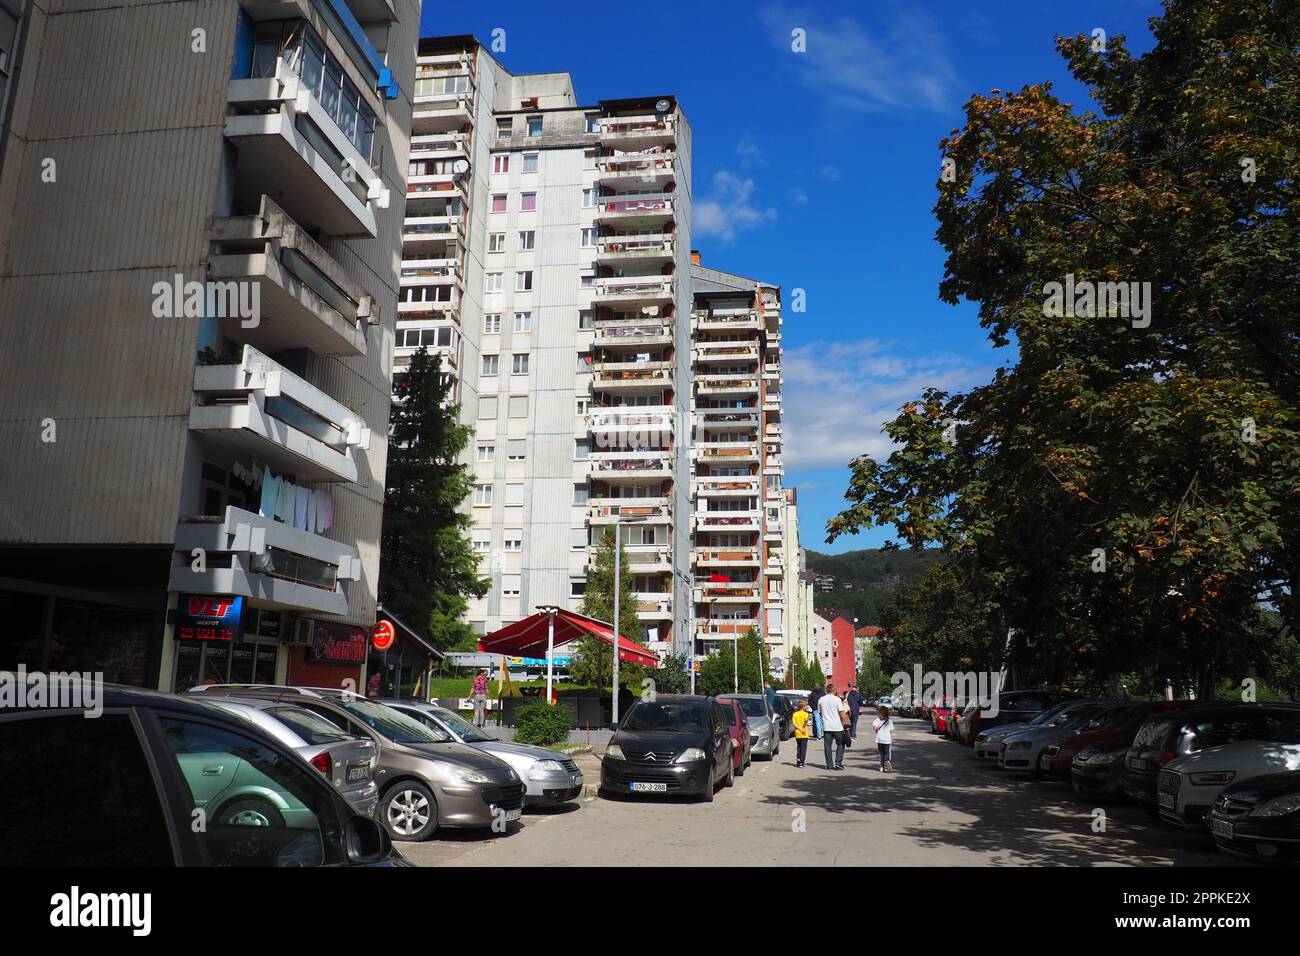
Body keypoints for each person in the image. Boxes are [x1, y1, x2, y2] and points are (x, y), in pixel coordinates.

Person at [818, 682, 847, 770]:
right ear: (834, 690)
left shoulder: (821, 699)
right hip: (837, 726)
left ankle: (829, 765)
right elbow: (842, 712)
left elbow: (820, 713)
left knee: (827, 746)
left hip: (827, 726)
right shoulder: (837, 699)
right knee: (841, 743)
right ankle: (838, 762)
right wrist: (846, 723)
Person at [790, 699, 812, 768]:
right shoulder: (806, 714)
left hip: (798, 733)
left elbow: (794, 723)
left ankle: (798, 761)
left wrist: (799, 729)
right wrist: (803, 727)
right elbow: (806, 723)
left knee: (799, 747)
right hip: (804, 733)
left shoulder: (795, 714)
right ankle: (802, 762)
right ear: (803, 706)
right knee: (803, 748)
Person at [873, 705, 895, 772]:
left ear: (879, 713)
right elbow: (891, 730)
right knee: (887, 752)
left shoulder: (877, 720)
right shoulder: (889, 721)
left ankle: (882, 767)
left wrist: (876, 729)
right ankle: (887, 761)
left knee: (881, 753)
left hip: (880, 739)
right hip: (887, 739)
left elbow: (874, 727)